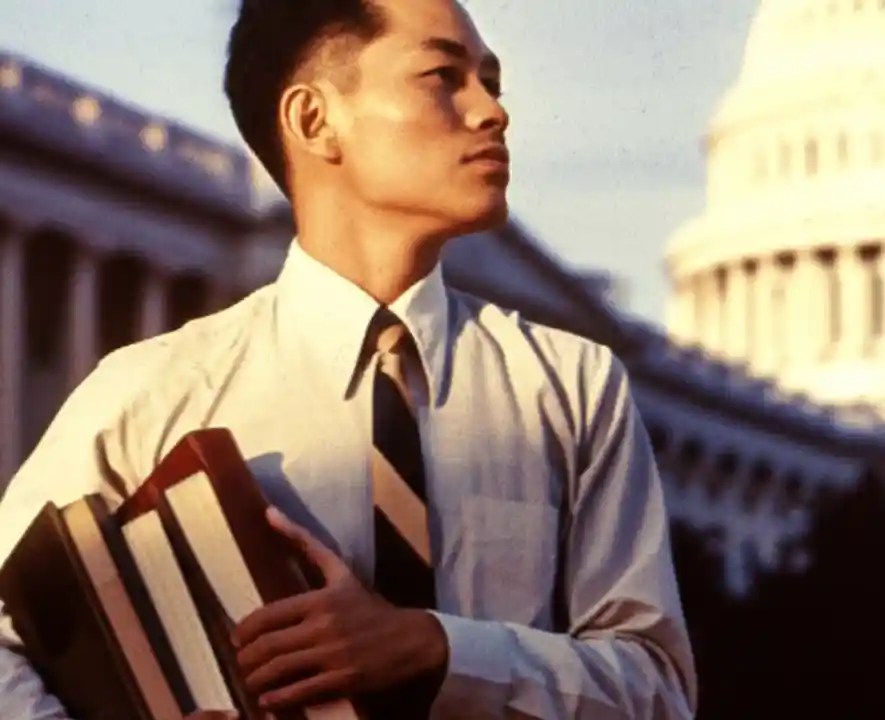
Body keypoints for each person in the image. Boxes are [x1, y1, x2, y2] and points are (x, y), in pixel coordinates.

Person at [0, 0, 697, 717]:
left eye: (492, 82)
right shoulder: (151, 391)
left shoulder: (572, 386)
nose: (492, 111)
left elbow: (660, 689)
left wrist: (433, 648)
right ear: (313, 121)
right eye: (443, 76)